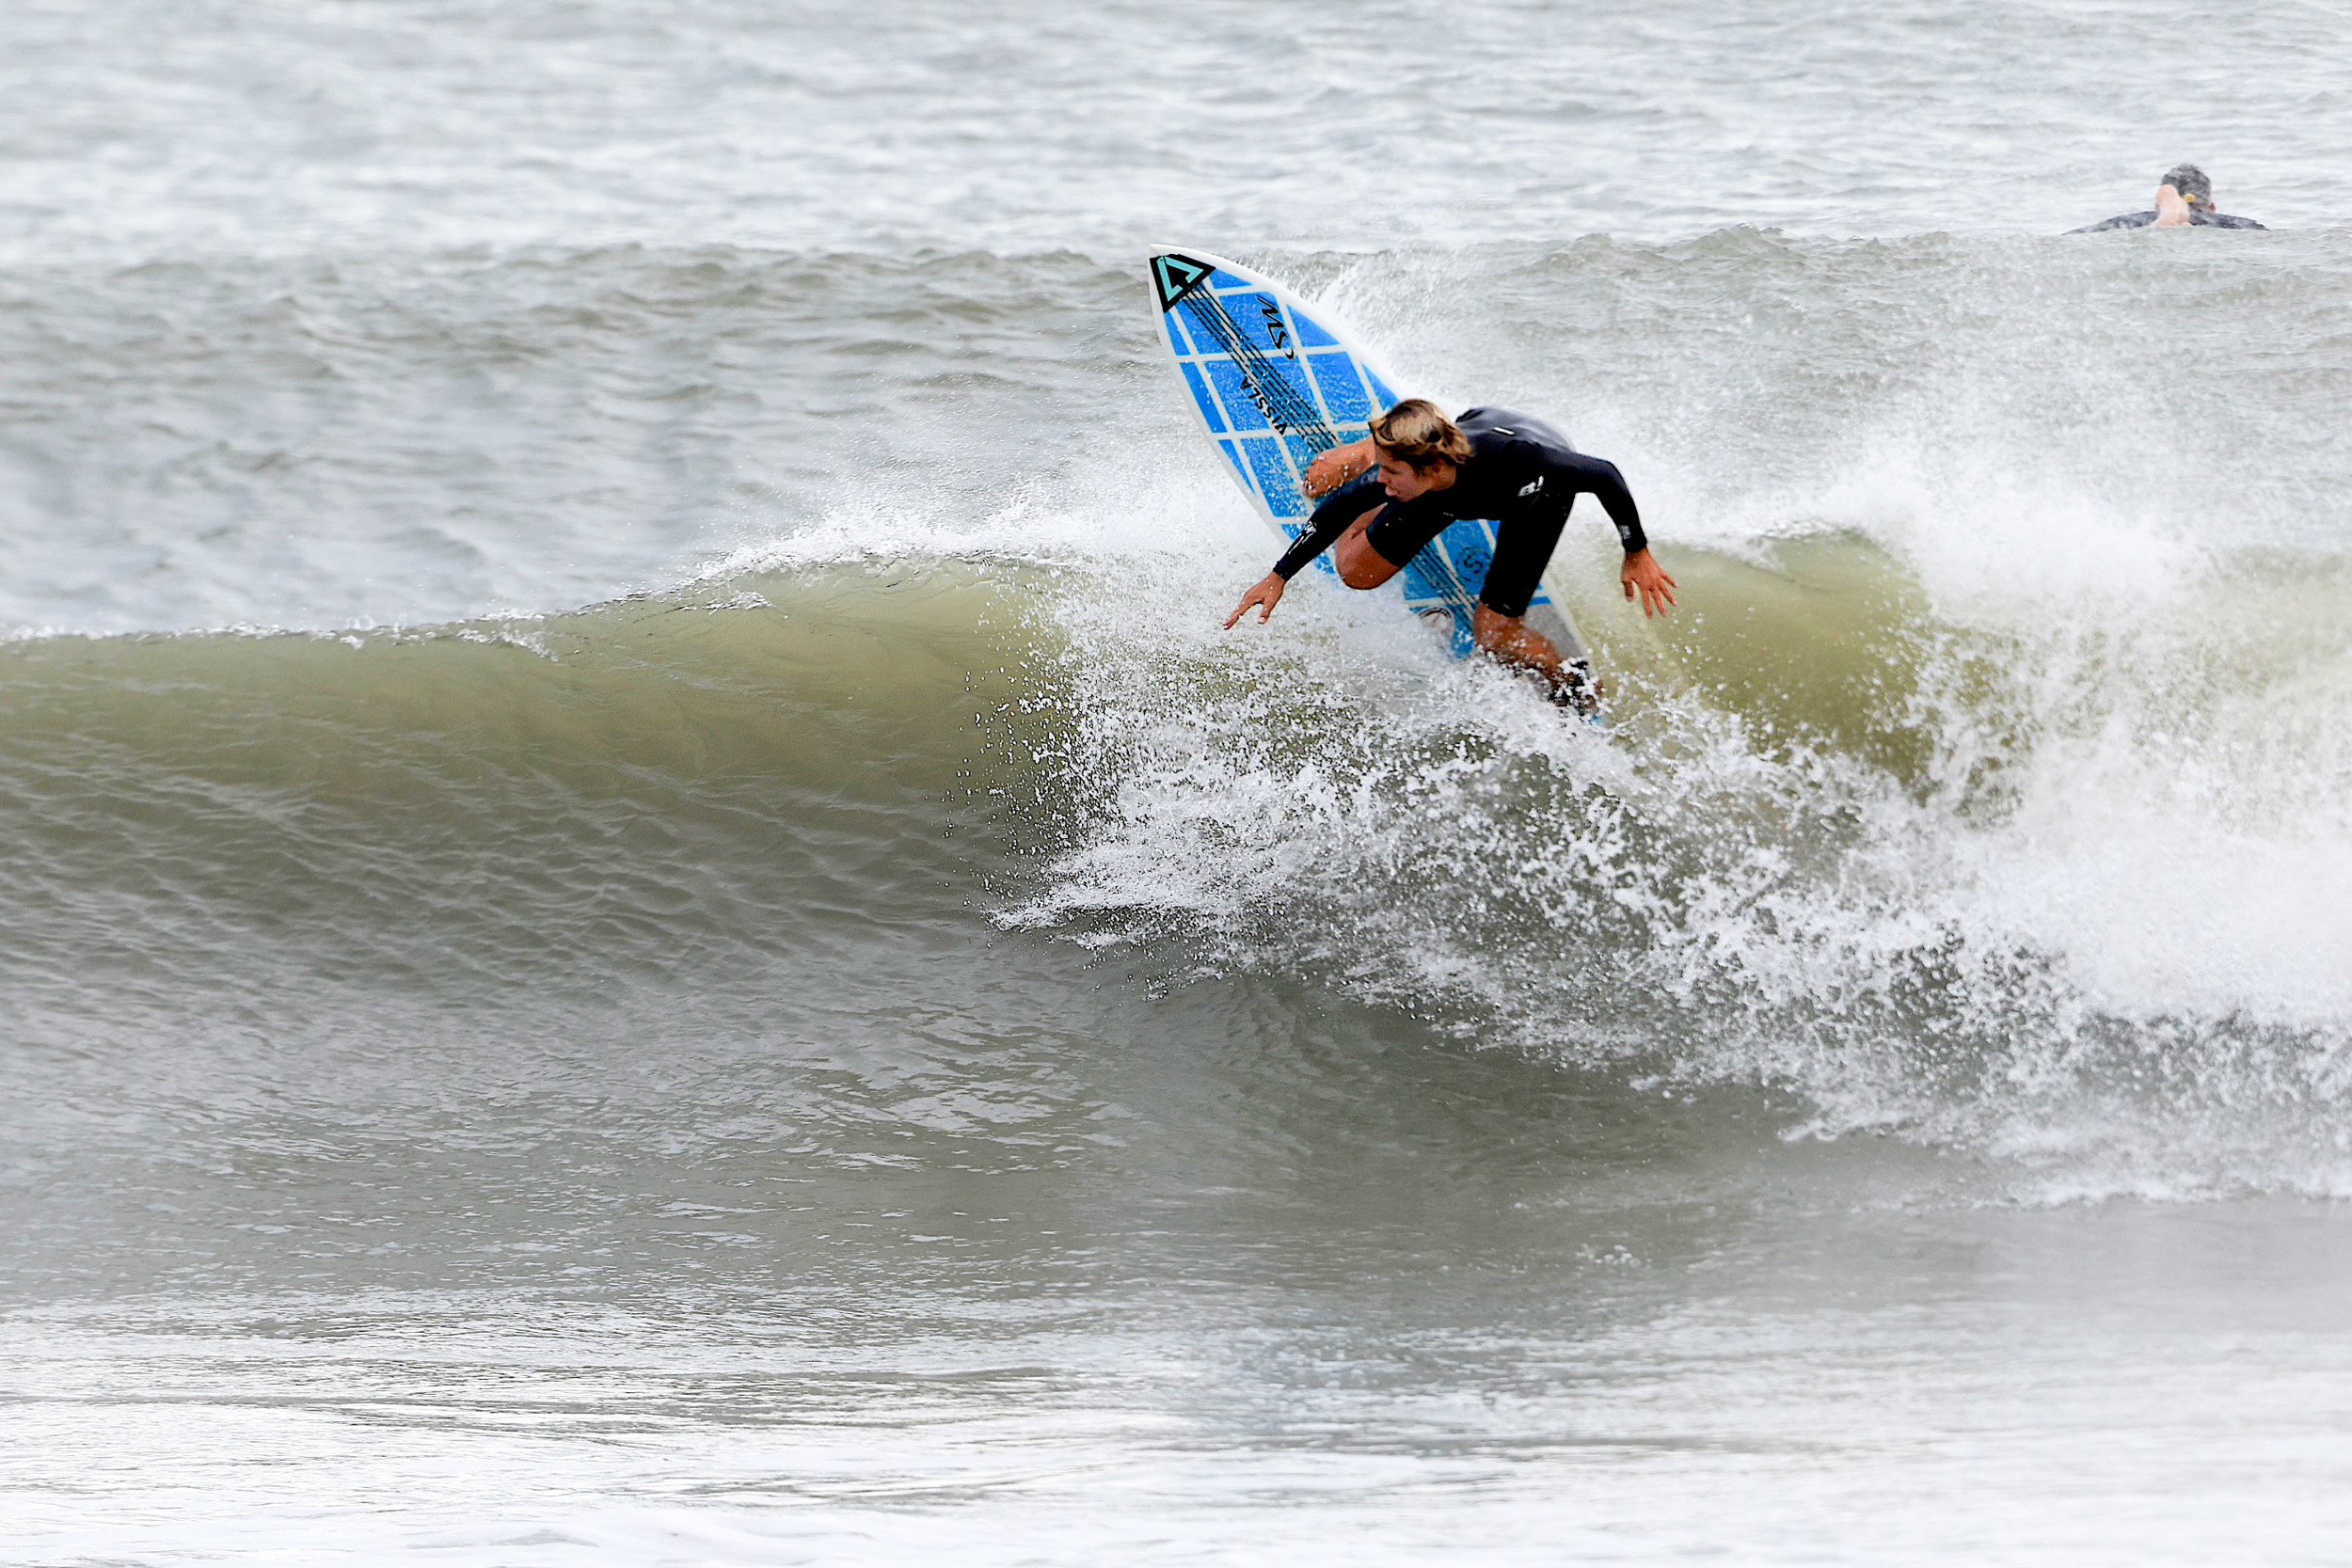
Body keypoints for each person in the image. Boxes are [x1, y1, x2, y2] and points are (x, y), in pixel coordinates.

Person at [1223, 400, 1676, 699]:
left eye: (1389, 470)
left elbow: (1603, 474)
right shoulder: (1412, 482)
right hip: (1444, 487)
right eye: (1382, 468)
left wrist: (1635, 551)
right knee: (1355, 571)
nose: (1382, 482)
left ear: (1434, 464)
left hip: (1531, 498)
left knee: (1494, 635)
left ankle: (1570, 680)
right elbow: (1339, 504)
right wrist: (1277, 576)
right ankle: (1368, 449)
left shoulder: (1523, 462)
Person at [2072, 164, 2266, 232]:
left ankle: (2173, 213)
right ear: (2212, 206)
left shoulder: (2130, 223)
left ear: (2157, 206)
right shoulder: (2237, 225)